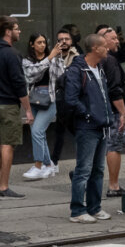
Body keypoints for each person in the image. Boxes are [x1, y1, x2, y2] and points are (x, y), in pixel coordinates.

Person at [61, 33, 116, 223]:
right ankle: (77, 211)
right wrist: (87, 115)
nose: (107, 48)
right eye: (104, 46)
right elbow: (71, 99)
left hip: (101, 125)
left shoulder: (98, 68)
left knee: (98, 169)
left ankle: (94, 207)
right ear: (94, 48)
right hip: (87, 126)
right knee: (83, 169)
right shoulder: (78, 70)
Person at [0, 16, 33, 198]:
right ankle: (3, 186)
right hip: (8, 105)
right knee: (7, 145)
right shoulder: (11, 54)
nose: (20, 31)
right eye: (17, 28)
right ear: (8, 31)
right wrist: (27, 109)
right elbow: (19, 83)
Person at [96, 25, 125, 197]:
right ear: (103, 40)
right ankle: (114, 186)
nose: (117, 41)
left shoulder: (97, 58)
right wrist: (122, 113)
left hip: (101, 109)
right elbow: (114, 89)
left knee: (103, 146)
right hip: (112, 111)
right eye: (113, 39)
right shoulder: (109, 60)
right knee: (114, 146)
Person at [22, 32, 59, 179]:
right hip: (33, 98)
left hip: (50, 98)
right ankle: (48, 165)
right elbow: (32, 75)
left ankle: (38, 166)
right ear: (32, 44)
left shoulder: (55, 58)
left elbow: (60, 76)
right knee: (38, 134)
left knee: (37, 131)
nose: (42, 45)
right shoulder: (27, 60)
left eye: (44, 42)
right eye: (39, 42)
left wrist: (52, 59)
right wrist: (49, 59)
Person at [46, 29, 79, 164]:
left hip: (72, 100)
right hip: (56, 99)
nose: (64, 42)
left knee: (76, 131)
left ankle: (81, 160)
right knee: (58, 132)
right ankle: (54, 161)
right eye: (61, 39)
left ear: (71, 41)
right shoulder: (52, 57)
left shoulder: (77, 56)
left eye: (67, 39)